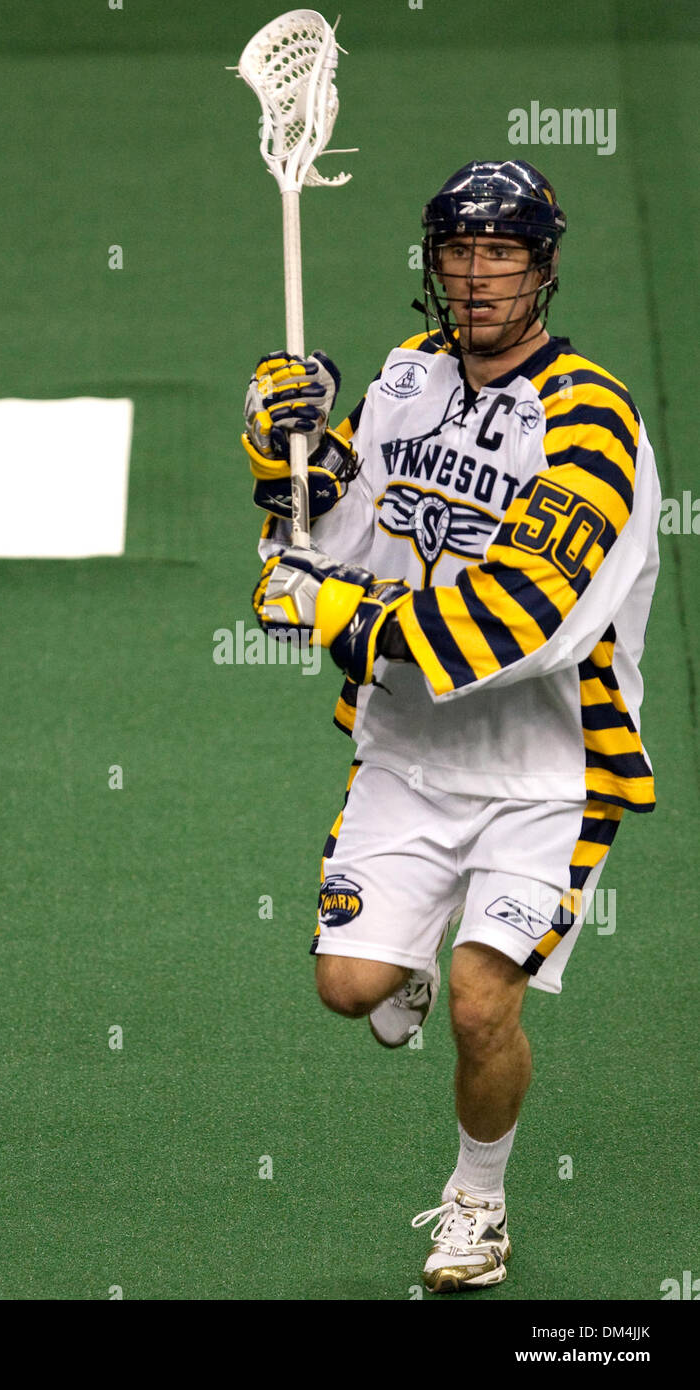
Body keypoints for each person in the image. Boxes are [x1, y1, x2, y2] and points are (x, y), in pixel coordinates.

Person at [242, 160, 661, 1293]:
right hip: (411, 759)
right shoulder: (406, 380)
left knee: (485, 1006)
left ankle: (477, 1202)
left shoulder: (592, 424)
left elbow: (524, 621)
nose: (475, 278)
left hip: (547, 773)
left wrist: (330, 612)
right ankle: (405, 958)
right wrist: (294, 452)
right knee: (349, 988)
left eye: (501, 256)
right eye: (457, 254)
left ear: (542, 270)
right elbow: (344, 533)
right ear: (431, 265)